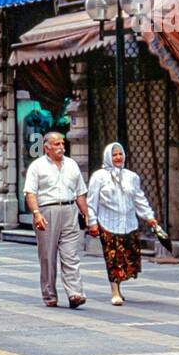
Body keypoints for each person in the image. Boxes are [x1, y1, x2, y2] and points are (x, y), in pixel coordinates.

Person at [86, 142, 163, 306]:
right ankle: (114, 291)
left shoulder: (132, 177)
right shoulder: (99, 177)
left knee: (128, 258)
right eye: (114, 155)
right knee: (112, 257)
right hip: (108, 223)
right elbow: (91, 202)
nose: (118, 157)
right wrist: (92, 222)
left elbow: (139, 199)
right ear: (108, 157)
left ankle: (119, 286)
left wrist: (149, 217)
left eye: (120, 154)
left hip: (129, 224)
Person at [24, 132, 92, 309]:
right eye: (56, 144)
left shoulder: (72, 165)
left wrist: (86, 214)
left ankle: (75, 293)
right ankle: (49, 294)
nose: (61, 147)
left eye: (62, 143)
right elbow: (30, 193)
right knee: (48, 256)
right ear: (47, 147)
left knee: (71, 254)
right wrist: (37, 214)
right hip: (47, 211)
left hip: (70, 210)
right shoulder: (37, 166)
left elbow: (80, 193)